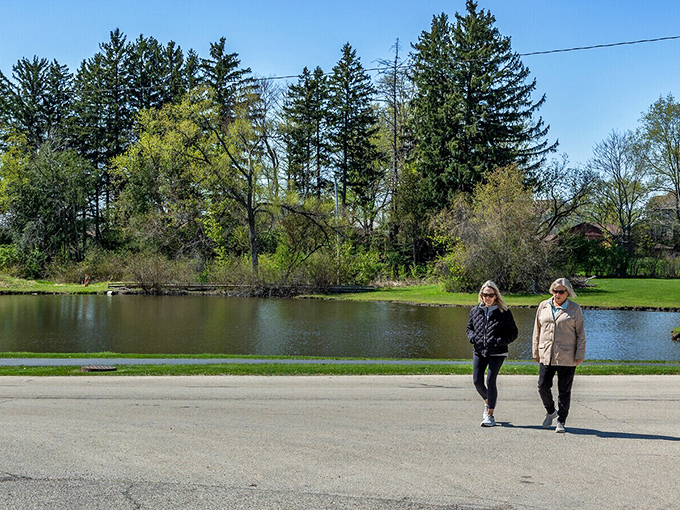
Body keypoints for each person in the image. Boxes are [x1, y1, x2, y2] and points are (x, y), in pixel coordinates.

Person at [532, 277, 586, 433]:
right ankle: (551, 411)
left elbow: (580, 334)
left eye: (561, 292)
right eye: (555, 291)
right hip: (546, 353)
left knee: (564, 390)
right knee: (542, 386)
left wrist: (579, 354)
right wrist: (536, 351)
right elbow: (537, 330)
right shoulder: (543, 306)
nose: (557, 294)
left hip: (567, 356)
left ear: (567, 293)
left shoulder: (574, 309)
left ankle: (561, 420)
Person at [466, 280, 518, 427]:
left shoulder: (504, 312)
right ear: (481, 295)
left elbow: (514, 332)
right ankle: (488, 401)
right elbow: (469, 328)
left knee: (490, 380)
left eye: (490, 295)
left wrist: (499, 341)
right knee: (477, 381)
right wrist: (472, 338)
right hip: (479, 350)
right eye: (484, 295)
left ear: (496, 296)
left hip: (497, 352)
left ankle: (490, 415)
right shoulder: (475, 311)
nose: (487, 297)